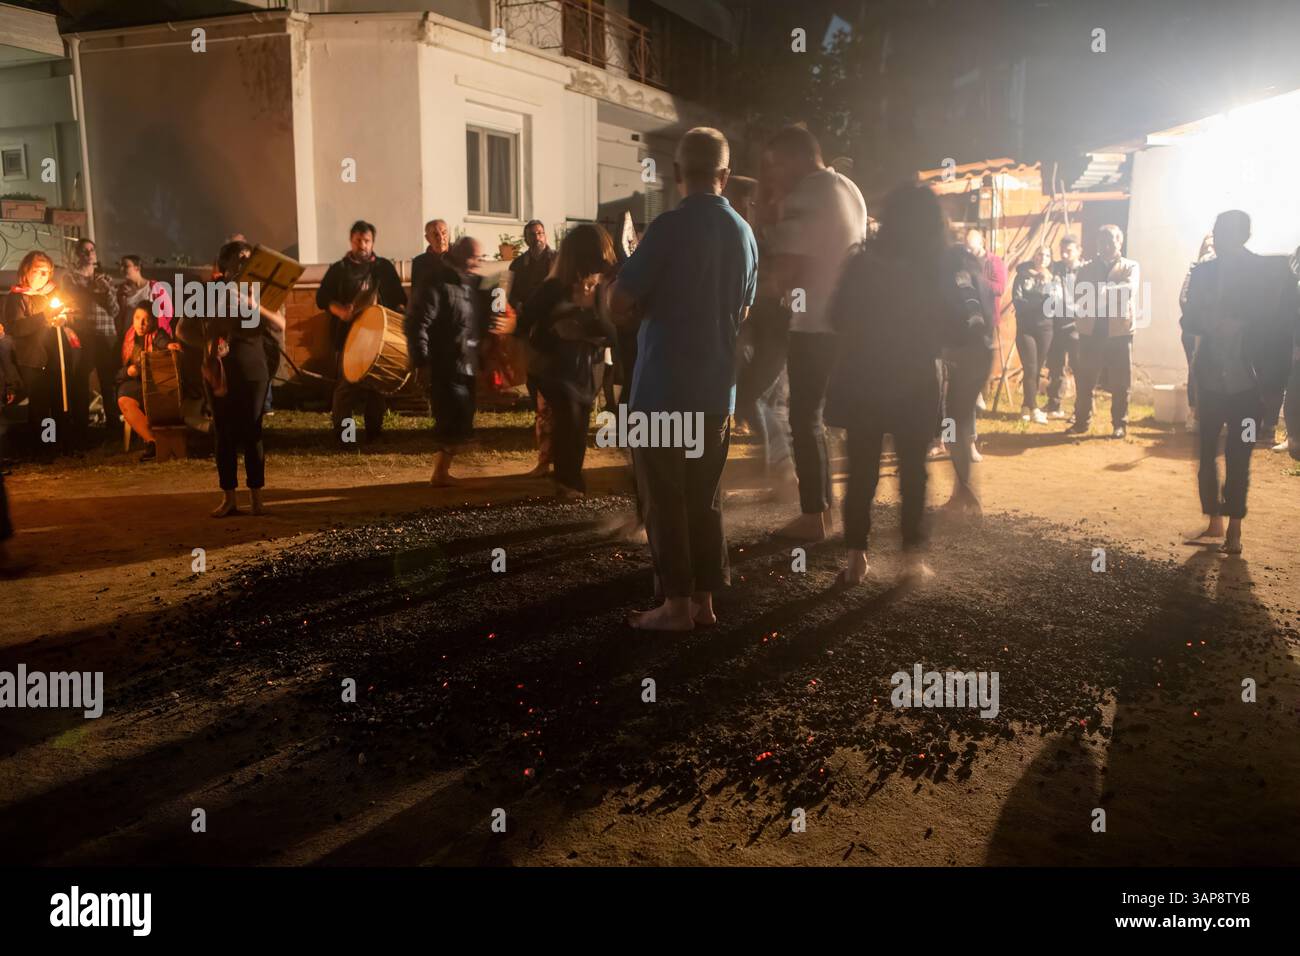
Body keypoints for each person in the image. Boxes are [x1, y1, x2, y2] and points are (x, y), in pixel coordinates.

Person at [610, 126, 758, 631]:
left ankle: (673, 607)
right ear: (726, 174)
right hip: (717, 391)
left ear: (677, 174)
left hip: (662, 390)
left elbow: (619, 301)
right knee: (704, 497)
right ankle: (703, 603)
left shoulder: (667, 228)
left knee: (664, 498)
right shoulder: (744, 233)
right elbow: (745, 308)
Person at [825, 184, 959, 585]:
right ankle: (912, 559)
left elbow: (836, 317)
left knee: (862, 469)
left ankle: (855, 558)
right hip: (916, 379)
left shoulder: (864, 262)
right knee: (914, 471)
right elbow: (952, 327)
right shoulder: (937, 268)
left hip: (866, 377)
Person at [763, 125, 867, 542]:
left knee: (804, 417)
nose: (775, 175)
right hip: (847, 323)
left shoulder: (805, 194)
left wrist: (770, 268)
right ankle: (825, 511)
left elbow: (785, 273)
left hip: (812, 324)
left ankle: (815, 516)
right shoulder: (851, 189)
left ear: (796, 158)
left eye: (777, 165)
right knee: (820, 419)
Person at [1182, 210, 1298, 555]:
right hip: (1211, 381)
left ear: (1243, 235)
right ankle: (1215, 521)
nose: (1217, 237)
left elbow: (1278, 325)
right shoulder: (1203, 272)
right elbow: (1186, 318)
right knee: (1206, 452)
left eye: (1225, 232)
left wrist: (1242, 326)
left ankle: (1234, 529)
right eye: (1216, 231)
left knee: (1239, 452)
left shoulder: (1267, 274)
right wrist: (1209, 323)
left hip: (1249, 385)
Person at [522, 224, 618, 497]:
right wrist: (556, 327)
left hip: (589, 374)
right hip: (557, 372)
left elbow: (612, 333)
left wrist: (586, 332)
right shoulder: (553, 288)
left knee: (577, 426)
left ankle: (568, 481)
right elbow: (527, 322)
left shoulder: (601, 289)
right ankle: (569, 482)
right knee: (570, 423)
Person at [200, 240, 287, 517]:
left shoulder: (260, 292)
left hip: (253, 371)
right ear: (225, 265)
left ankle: (257, 497)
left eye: (248, 258)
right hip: (221, 371)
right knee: (224, 435)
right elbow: (189, 329)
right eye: (239, 258)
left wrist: (252, 303)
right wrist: (211, 347)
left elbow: (280, 324)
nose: (244, 262)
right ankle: (229, 499)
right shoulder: (210, 292)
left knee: (252, 432)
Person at [405, 236, 490, 487]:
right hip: (444, 361)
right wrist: (421, 361)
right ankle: (440, 473)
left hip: (466, 360)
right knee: (453, 415)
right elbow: (417, 323)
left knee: (463, 415)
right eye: (476, 257)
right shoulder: (436, 281)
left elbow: (476, 320)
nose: (479, 263)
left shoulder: (471, 283)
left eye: (481, 258)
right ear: (460, 255)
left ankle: (441, 471)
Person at [317, 220, 406, 444]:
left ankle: (374, 434)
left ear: (373, 242)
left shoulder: (383, 267)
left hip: (379, 337)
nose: (362, 245)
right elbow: (322, 298)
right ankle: (347, 436)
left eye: (367, 241)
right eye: (358, 240)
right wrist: (340, 310)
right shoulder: (339, 269)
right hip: (349, 336)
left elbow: (399, 299)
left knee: (377, 387)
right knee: (346, 390)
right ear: (351, 241)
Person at [939, 243, 997, 515]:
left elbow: (973, 316)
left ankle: (967, 494)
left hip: (968, 357)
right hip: (980, 354)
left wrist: (953, 347)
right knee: (955, 422)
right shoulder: (979, 280)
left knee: (953, 423)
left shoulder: (960, 280)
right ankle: (962, 492)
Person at [1067, 224, 1141, 439]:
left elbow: (1128, 291)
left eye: (1110, 242)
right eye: (1101, 242)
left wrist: (1100, 292)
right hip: (1091, 330)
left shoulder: (1130, 266)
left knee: (1120, 382)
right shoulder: (1087, 268)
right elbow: (1080, 295)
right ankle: (1081, 422)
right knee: (1085, 380)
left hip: (1119, 331)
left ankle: (1120, 424)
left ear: (1120, 243)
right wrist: (1105, 294)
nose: (1105, 246)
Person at [4, 251, 73, 460]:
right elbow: (15, 327)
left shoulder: (52, 293)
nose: (42, 276)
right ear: (26, 271)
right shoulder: (17, 297)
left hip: (55, 356)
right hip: (33, 360)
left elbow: (67, 313)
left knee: (58, 401)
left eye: (46, 272)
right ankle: (44, 447)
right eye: (37, 271)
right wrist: (43, 317)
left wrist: (64, 319)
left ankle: (60, 443)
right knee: (41, 407)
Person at [509, 220, 560, 478]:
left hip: (553, 333)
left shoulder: (558, 260)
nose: (537, 237)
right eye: (532, 234)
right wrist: (519, 305)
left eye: (540, 233)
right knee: (536, 388)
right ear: (526, 238)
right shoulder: (518, 265)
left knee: (551, 398)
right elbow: (509, 293)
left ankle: (554, 460)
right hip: (530, 331)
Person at [60, 237, 121, 443]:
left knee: (109, 380)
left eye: (92, 250)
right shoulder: (71, 278)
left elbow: (114, 310)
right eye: (84, 251)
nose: (89, 254)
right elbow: (77, 303)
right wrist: (92, 291)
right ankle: (81, 426)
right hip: (84, 333)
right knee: (80, 379)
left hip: (106, 333)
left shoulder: (104, 278)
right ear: (77, 255)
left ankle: (114, 424)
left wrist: (105, 291)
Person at [116, 302, 178, 462]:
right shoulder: (128, 338)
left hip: (156, 384)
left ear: (153, 321)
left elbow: (163, 342)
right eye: (137, 318)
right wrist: (128, 371)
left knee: (128, 395)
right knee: (124, 396)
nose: (141, 324)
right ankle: (155, 442)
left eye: (146, 319)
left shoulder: (158, 335)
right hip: (133, 382)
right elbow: (117, 374)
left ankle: (155, 444)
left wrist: (169, 345)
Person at [1011, 246, 1056, 423]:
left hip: (1046, 328)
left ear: (1050, 259)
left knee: (1037, 368)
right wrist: (1040, 300)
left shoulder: (1054, 279)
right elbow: (1018, 302)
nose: (1042, 258)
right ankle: (1035, 408)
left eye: (1047, 255)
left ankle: (1025, 406)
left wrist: (1034, 301)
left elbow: (1054, 303)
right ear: (1034, 256)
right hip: (1026, 328)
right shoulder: (1022, 276)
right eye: (1039, 254)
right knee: (1029, 367)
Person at [1044, 235, 1086, 419]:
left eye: (1069, 250)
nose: (1064, 254)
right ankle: (1054, 405)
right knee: (1055, 366)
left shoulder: (1086, 271)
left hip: (1077, 325)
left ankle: (1081, 409)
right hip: (1057, 324)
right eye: (1062, 250)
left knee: (1079, 367)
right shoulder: (1055, 268)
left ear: (1078, 250)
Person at [1177, 234, 1215, 433]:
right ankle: (1195, 414)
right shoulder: (1194, 270)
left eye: (1213, 246)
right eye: (1206, 246)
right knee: (1195, 371)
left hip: (1218, 334)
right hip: (1193, 332)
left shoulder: (1226, 272)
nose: (1209, 249)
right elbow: (1183, 298)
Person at [116, 255, 174, 336]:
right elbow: (119, 316)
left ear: (137, 268)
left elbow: (168, 312)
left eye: (126, 266)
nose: (121, 269)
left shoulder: (155, 287)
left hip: (151, 337)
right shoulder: (121, 290)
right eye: (120, 266)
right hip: (129, 338)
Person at [411, 219, 450, 293]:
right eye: (435, 234)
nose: (441, 238)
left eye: (444, 233)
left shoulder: (458, 257)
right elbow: (416, 292)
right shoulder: (419, 262)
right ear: (427, 238)